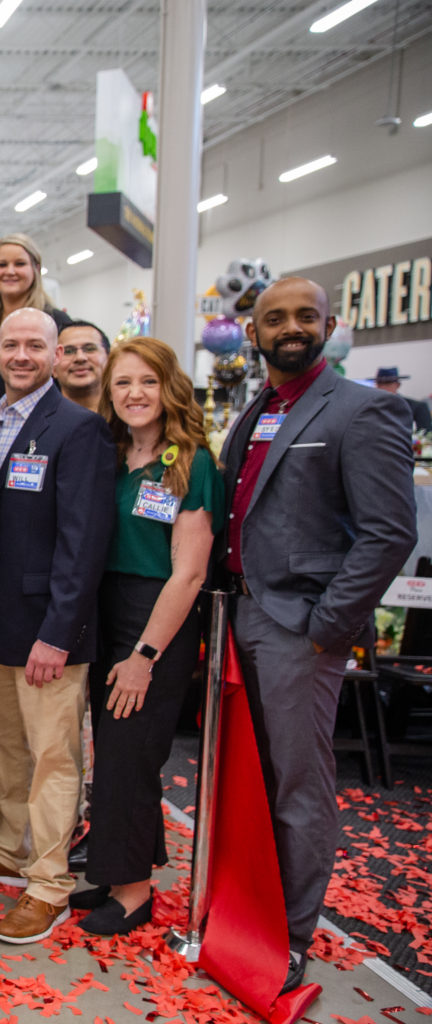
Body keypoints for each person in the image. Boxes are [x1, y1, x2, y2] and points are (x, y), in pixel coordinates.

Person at [217, 277, 415, 992]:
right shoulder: (258, 410)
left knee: (299, 786)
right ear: (253, 332)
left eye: (306, 316)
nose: (291, 328)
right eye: (276, 318)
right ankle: (246, 910)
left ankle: (289, 936)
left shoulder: (364, 412)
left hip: (302, 629)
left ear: (330, 324)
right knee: (249, 778)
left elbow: (391, 532)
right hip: (240, 619)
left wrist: (329, 626)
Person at [0, 307, 115, 945]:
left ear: (55, 355)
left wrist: (59, 632)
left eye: (34, 346)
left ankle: (49, 882)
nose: (21, 355)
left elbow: (83, 546)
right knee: (1, 746)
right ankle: (3, 847)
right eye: (10, 345)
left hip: (48, 628)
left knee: (54, 755)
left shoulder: (77, 430)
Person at [70, 337, 220, 936]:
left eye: (148, 382)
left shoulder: (190, 462)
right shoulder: (110, 453)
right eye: (124, 382)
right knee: (112, 756)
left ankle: (133, 893)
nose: (135, 394)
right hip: (107, 612)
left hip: (153, 621)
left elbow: (189, 572)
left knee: (131, 757)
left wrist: (144, 657)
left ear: (169, 388)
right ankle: (114, 872)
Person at [0, 233, 72, 409]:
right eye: (2, 265)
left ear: (35, 269)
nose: (10, 271)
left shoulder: (57, 323)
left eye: (19, 264)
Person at [53, 320, 111, 413]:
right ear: (53, 369)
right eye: (68, 351)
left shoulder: (127, 420)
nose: (80, 358)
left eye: (90, 349)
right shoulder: (37, 421)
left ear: (109, 360)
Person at [373, 366, 432, 431]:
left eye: (388, 384)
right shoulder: (371, 406)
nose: (383, 387)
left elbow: (425, 434)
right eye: (380, 384)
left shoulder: (416, 407)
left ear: (398, 385)